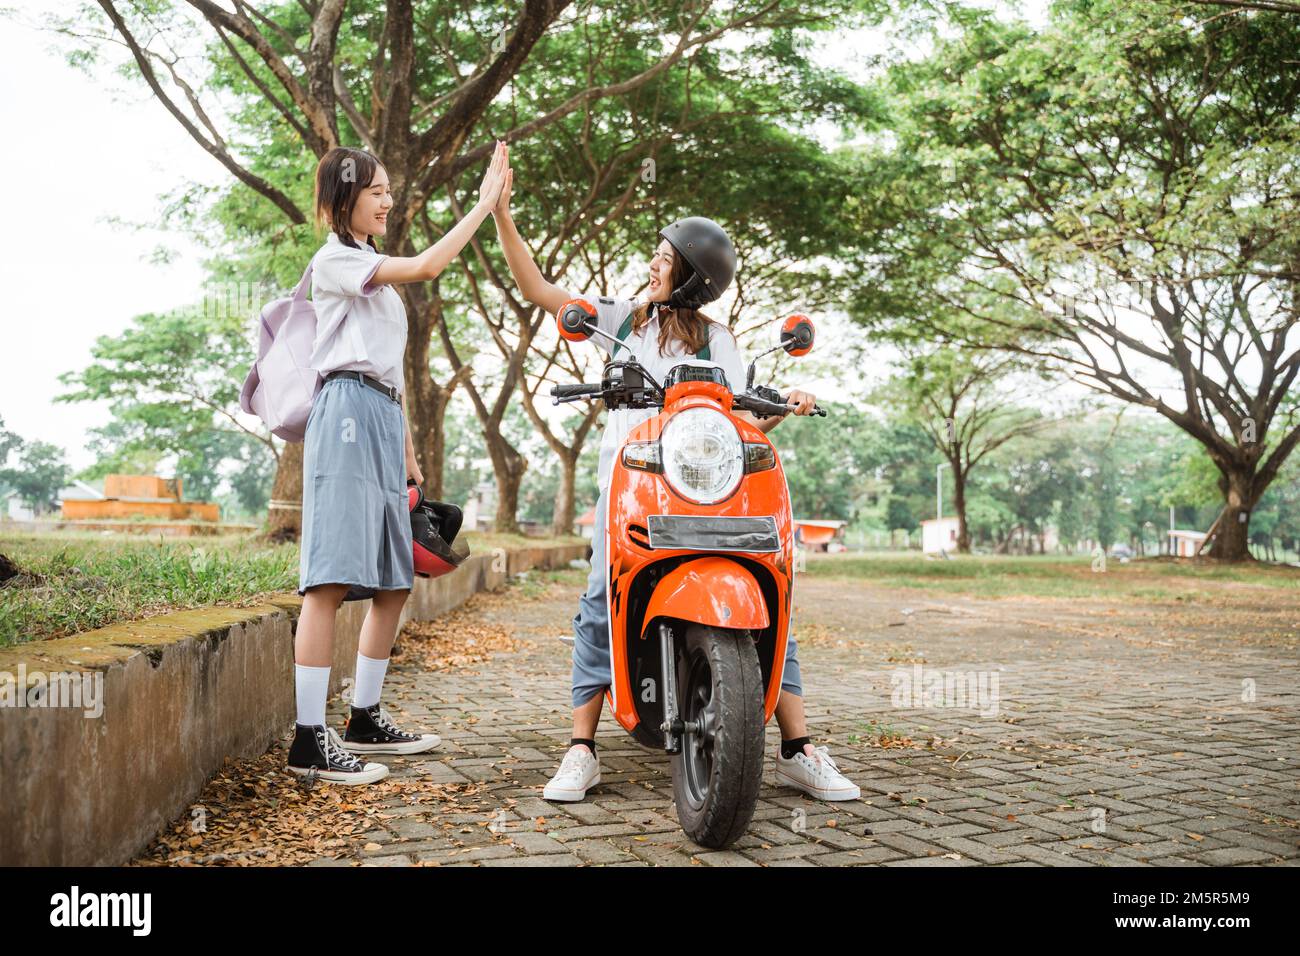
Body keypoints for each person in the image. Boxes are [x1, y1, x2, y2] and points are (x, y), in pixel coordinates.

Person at [489, 147, 860, 803]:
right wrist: (501, 215)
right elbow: (541, 292)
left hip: (711, 491)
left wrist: (786, 407)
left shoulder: (723, 344)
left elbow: (735, 428)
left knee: (770, 605)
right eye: (657, 257)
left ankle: (799, 748)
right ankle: (581, 749)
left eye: (664, 259)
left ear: (692, 276)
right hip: (633, 487)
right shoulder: (623, 322)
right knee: (599, 606)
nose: (653, 266)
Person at [286, 141, 510, 784]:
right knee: (330, 580)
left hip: (382, 418)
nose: (387, 200)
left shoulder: (368, 263)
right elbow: (433, 265)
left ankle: (363, 717)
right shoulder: (333, 261)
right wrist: (484, 206)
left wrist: (408, 453)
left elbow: (391, 372)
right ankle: (308, 740)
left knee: (393, 580)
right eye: (376, 191)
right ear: (343, 198)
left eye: (388, 190)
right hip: (346, 416)